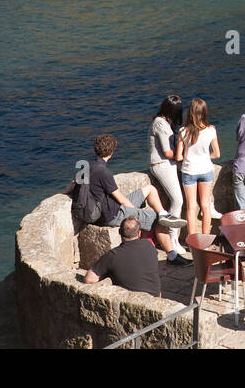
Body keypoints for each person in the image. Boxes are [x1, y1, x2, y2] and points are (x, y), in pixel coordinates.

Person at [85, 134, 176, 254]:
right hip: (112, 215)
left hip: (105, 208)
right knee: (158, 219)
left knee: (150, 189)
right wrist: (135, 212)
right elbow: (120, 199)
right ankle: (172, 255)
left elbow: (71, 186)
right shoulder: (104, 172)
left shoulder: (86, 165)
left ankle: (163, 213)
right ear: (111, 152)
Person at [148, 94, 189, 264]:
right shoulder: (160, 124)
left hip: (169, 163)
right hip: (161, 164)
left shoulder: (166, 122)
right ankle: (173, 240)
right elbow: (167, 152)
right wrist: (187, 152)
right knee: (177, 200)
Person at [82, 217, 162, 296]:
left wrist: (107, 274)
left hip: (131, 303)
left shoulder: (113, 255)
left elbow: (89, 279)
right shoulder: (149, 245)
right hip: (155, 297)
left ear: (119, 232)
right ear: (139, 233)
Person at [177, 98, 220, 237]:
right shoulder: (211, 130)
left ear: (190, 113)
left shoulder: (183, 131)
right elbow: (217, 154)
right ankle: (206, 239)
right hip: (206, 169)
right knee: (205, 206)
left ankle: (192, 240)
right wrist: (207, 156)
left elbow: (178, 156)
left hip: (189, 171)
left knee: (191, 207)